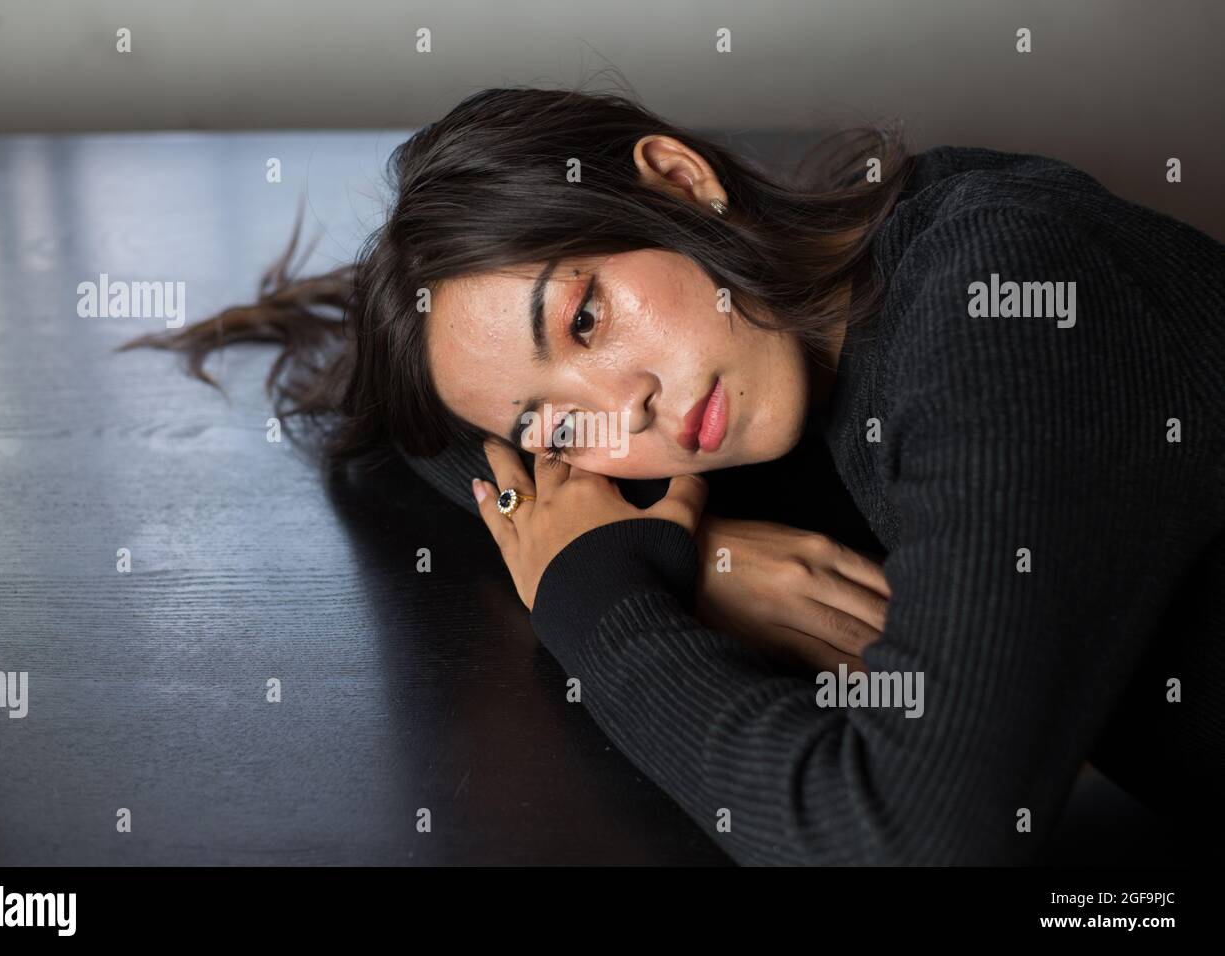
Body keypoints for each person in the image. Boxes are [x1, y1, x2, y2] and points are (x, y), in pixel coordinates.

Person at [126, 84, 1225, 864]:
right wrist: (694, 549)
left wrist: (598, 594)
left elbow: (900, 839)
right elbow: (449, 442)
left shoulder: (1004, 295)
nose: (628, 411)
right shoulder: (798, 335)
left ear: (677, 179)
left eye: (586, 316)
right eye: (559, 428)